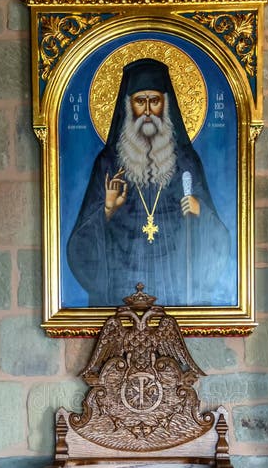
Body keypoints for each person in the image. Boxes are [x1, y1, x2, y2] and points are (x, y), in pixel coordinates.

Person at [66, 58, 231, 307]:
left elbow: (215, 238)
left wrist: (200, 211)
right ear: (128, 106)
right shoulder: (109, 163)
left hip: (174, 280)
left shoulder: (185, 160)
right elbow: (82, 242)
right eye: (139, 101)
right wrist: (107, 210)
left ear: (165, 105)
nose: (146, 111)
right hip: (122, 288)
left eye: (154, 101)